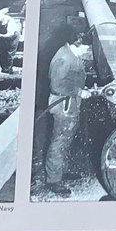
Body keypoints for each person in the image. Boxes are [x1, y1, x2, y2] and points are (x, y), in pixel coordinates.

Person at [43, 25, 92, 197]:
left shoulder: (72, 54)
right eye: (86, 48)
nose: (87, 52)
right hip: (63, 104)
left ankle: (61, 172)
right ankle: (53, 181)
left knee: (66, 139)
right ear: (76, 44)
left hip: (70, 104)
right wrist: (79, 92)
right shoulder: (64, 58)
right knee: (59, 142)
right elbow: (57, 85)